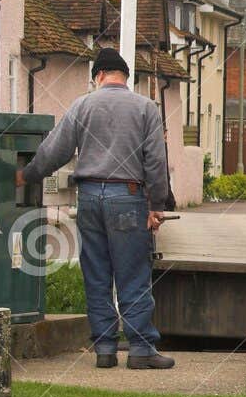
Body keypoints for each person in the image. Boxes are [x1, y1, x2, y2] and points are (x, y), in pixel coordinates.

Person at [18, 48, 175, 370]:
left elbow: (55, 151)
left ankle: (104, 348)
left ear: (98, 76)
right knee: (133, 274)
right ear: (125, 77)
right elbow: (156, 161)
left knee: (97, 274)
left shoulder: (82, 104)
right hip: (127, 196)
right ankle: (141, 349)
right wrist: (157, 206)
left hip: (88, 196)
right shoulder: (146, 108)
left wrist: (26, 175)